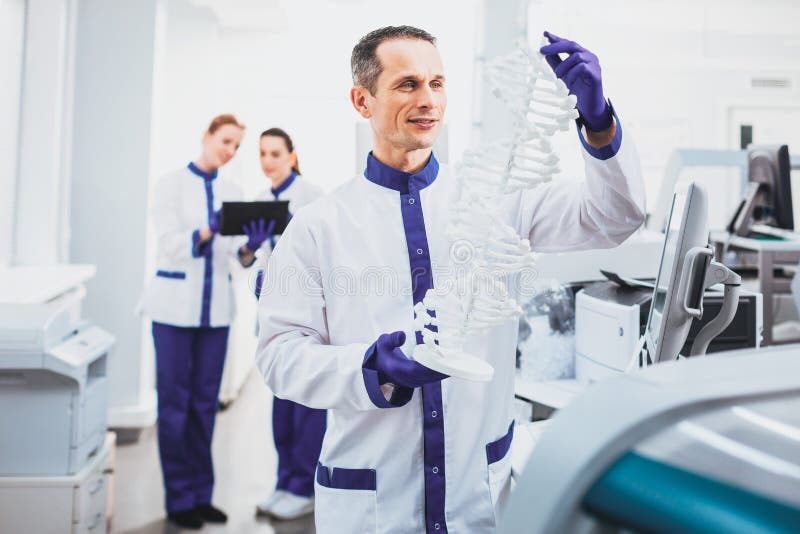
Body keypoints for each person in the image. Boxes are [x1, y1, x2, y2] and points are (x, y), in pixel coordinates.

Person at [256, 26, 646, 533]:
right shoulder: (318, 225)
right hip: (375, 502)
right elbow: (279, 355)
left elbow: (617, 216)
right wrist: (373, 368)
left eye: (437, 84)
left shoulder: (499, 198)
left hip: (477, 493)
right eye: (407, 84)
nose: (427, 100)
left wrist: (599, 122)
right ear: (362, 100)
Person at [143, 114, 274, 530]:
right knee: (175, 408)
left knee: (204, 407)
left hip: (216, 313)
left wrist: (250, 248)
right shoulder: (169, 185)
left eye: (236, 146)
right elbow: (168, 247)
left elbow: (235, 260)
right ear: (207, 137)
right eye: (225, 141)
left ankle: (202, 495)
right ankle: (178, 497)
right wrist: (205, 230)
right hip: (173, 313)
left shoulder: (232, 191)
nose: (229, 150)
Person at [250, 128, 326, 520]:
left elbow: (327, 254)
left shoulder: (314, 197)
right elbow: (250, 261)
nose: (268, 161)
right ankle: (284, 481)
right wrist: (251, 247)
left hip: (306, 316)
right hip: (273, 314)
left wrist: (290, 235)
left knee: (305, 407)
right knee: (282, 408)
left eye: (275, 153)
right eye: (262, 154)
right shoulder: (261, 201)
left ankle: (304, 486)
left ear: (292, 156)